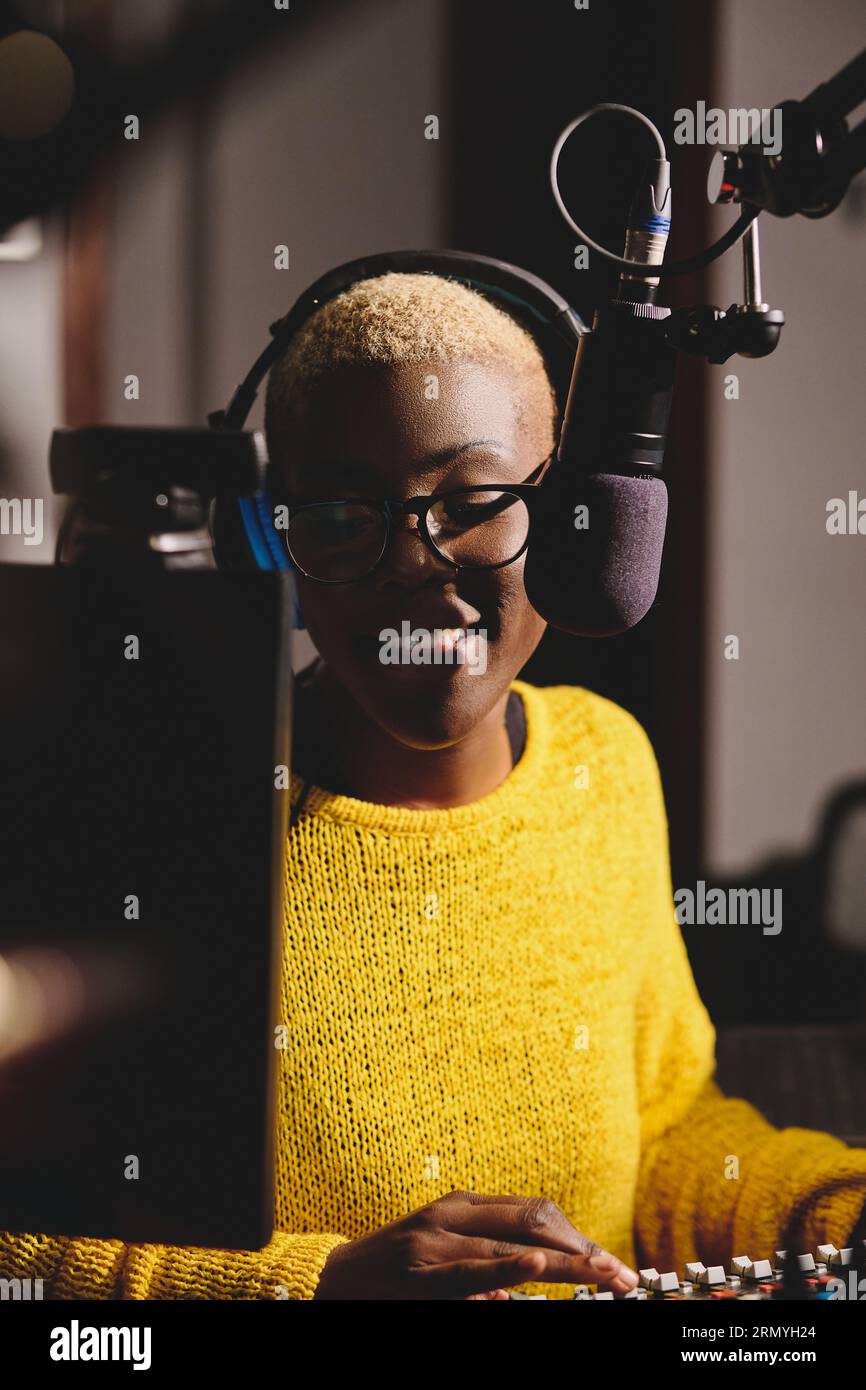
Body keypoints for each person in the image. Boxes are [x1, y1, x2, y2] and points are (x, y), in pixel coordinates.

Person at [2, 269, 865, 1300]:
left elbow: (669, 1125)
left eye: (474, 504)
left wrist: (832, 1212)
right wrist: (317, 1289)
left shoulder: (604, 763)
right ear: (267, 537)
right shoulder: (160, 809)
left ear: (573, 515)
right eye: (340, 513)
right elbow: (25, 1242)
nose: (416, 563)